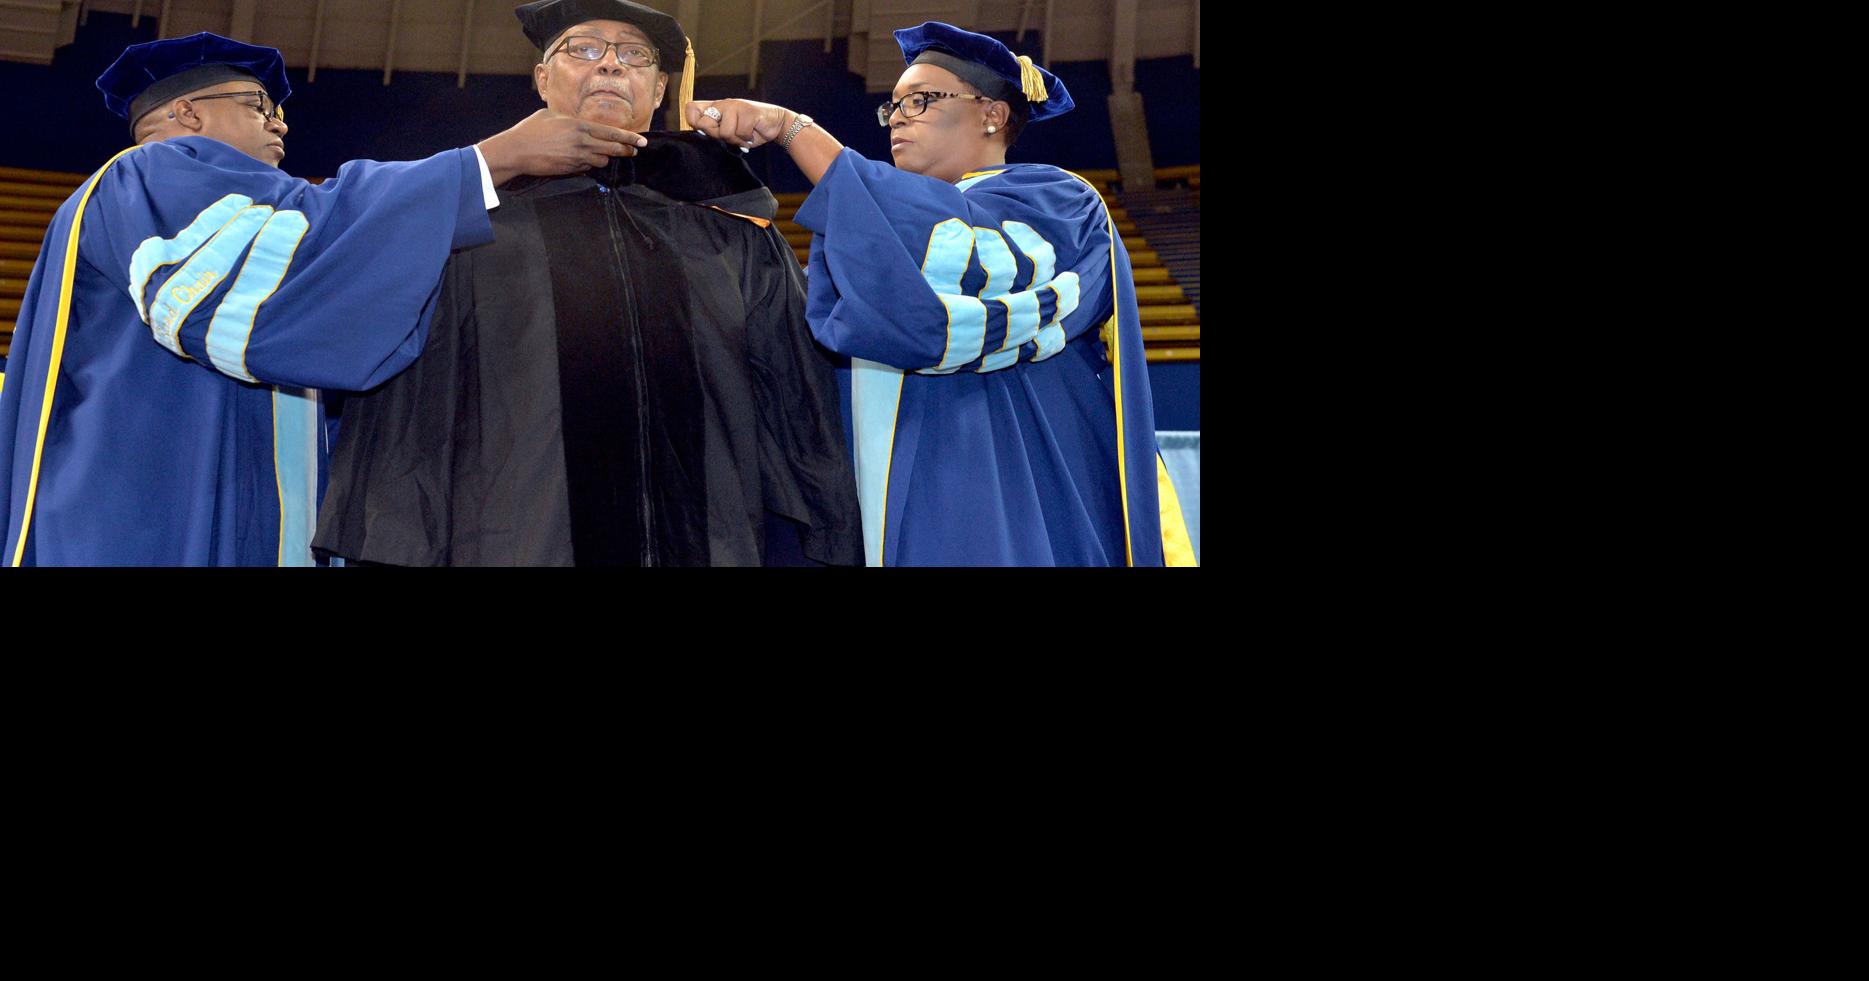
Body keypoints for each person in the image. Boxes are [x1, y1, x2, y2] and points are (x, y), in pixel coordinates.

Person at [0, 32, 640, 567]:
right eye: (259, 104)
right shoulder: (146, 173)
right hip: (148, 514)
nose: (281, 122)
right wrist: (489, 160)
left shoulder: (244, 210)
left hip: (240, 506)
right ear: (188, 115)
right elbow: (295, 267)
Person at [314, 0, 860, 567]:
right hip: (516, 539)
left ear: (659, 90)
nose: (611, 64)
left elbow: (797, 396)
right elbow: (411, 410)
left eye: (635, 55)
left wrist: (829, 528)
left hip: (704, 538)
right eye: (584, 48)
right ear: (542, 80)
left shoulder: (727, 220)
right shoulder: (471, 220)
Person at [686, 22, 1195, 566]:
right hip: (886, 478)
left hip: (1008, 472)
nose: (897, 117)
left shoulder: (1061, 202)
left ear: (992, 114)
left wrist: (795, 131)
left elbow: (945, 277)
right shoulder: (868, 238)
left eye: (921, 100)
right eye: (893, 106)